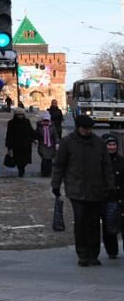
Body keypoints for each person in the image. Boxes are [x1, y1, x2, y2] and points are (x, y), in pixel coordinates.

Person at [51, 114, 116, 266]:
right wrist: (56, 184)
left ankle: (94, 254)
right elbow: (59, 165)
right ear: (78, 128)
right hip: (76, 189)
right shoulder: (68, 143)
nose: (87, 131)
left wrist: (111, 186)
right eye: (85, 128)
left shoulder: (99, 143)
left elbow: (107, 167)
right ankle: (82, 253)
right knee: (80, 221)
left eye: (89, 129)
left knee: (94, 222)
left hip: (96, 189)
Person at [102, 133, 124, 259]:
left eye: (113, 144)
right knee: (108, 225)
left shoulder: (121, 161)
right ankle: (112, 251)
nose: (112, 147)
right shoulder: (100, 162)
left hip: (121, 197)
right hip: (107, 198)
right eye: (109, 145)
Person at [6, 107, 37, 177]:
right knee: (18, 159)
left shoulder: (26, 121)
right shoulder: (11, 123)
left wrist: (36, 137)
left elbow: (30, 131)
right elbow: (9, 134)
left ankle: (22, 168)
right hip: (16, 144)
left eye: (21, 114)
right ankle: (21, 170)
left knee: (25, 159)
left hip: (26, 143)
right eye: (18, 115)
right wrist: (9, 146)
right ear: (15, 115)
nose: (20, 116)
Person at [36, 112, 59, 178]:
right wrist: (36, 140)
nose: (46, 122)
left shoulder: (52, 127)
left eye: (47, 120)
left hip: (51, 145)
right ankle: (44, 172)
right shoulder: (39, 127)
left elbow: (55, 135)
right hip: (43, 144)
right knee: (44, 159)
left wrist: (57, 143)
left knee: (49, 159)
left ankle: (49, 172)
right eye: (45, 120)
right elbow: (36, 134)